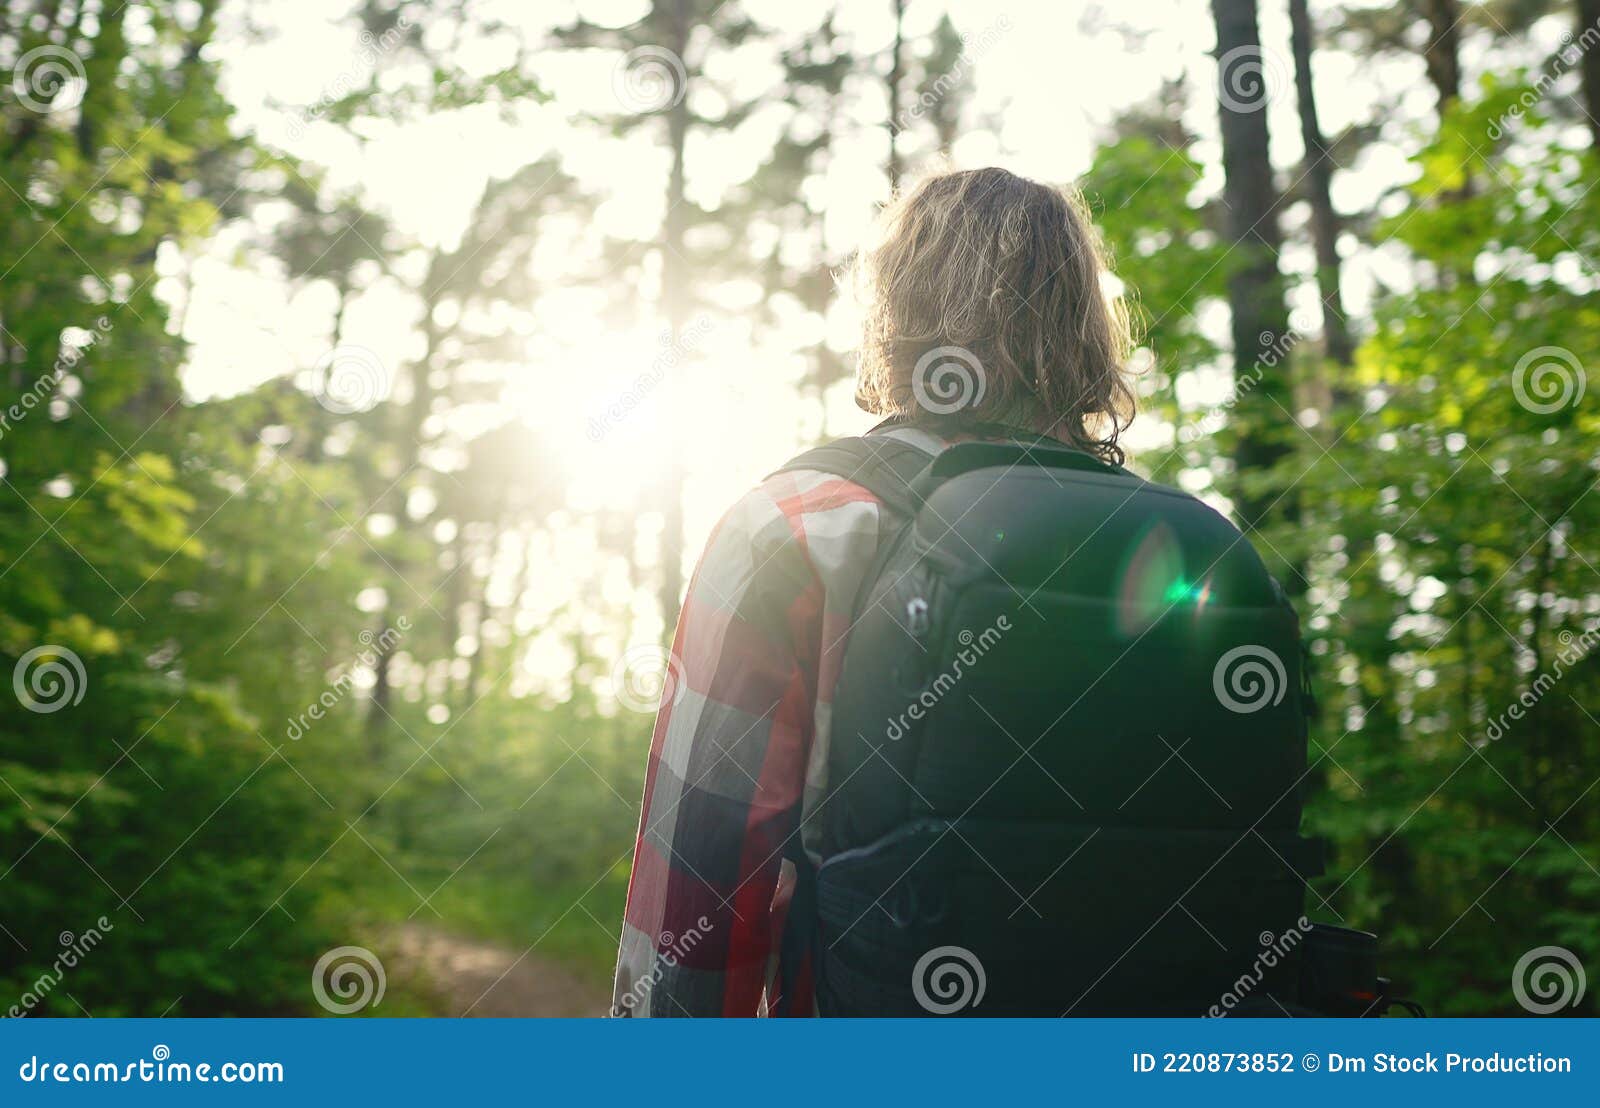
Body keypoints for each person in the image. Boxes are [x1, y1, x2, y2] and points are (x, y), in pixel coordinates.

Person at [611, 167, 1311, 1017]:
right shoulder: (1192, 550)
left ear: (893, 312)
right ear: (1086, 325)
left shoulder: (797, 524)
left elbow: (700, 894)